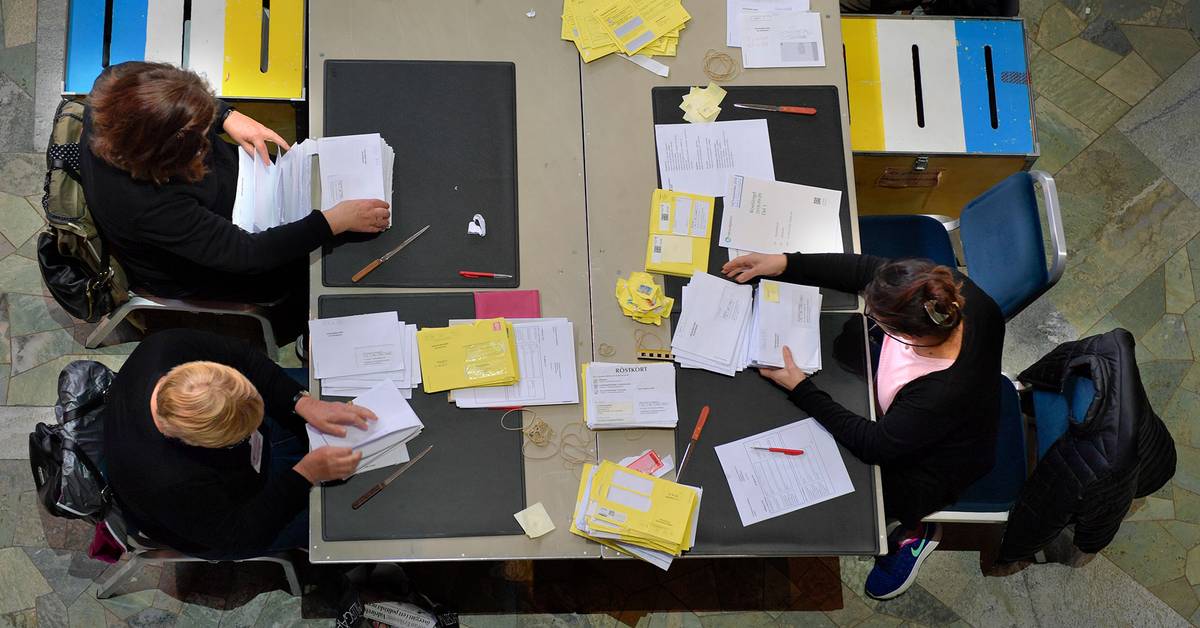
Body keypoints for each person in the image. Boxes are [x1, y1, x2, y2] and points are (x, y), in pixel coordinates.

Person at [722, 252, 1004, 600]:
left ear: (904, 333)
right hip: (912, 417)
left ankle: (913, 532)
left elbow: (875, 444)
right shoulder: (950, 292)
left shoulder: (942, 391)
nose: (870, 314)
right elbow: (868, 270)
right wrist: (785, 263)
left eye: (877, 317)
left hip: (930, 465)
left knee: (832, 498)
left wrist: (800, 388)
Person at [78, 61, 391, 342]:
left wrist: (226, 115)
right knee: (317, 266)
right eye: (201, 138)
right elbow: (247, 254)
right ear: (169, 155)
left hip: (243, 187)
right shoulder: (146, 205)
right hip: (209, 260)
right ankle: (304, 335)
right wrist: (333, 221)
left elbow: (177, 98)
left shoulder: (117, 84)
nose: (209, 138)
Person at [103, 328, 377, 559]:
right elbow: (237, 534)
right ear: (197, 443)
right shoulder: (167, 481)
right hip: (228, 517)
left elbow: (245, 358)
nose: (255, 429)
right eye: (241, 435)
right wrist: (304, 476)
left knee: (337, 394)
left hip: (238, 469)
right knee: (350, 513)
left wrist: (303, 402)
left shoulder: (165, 347)